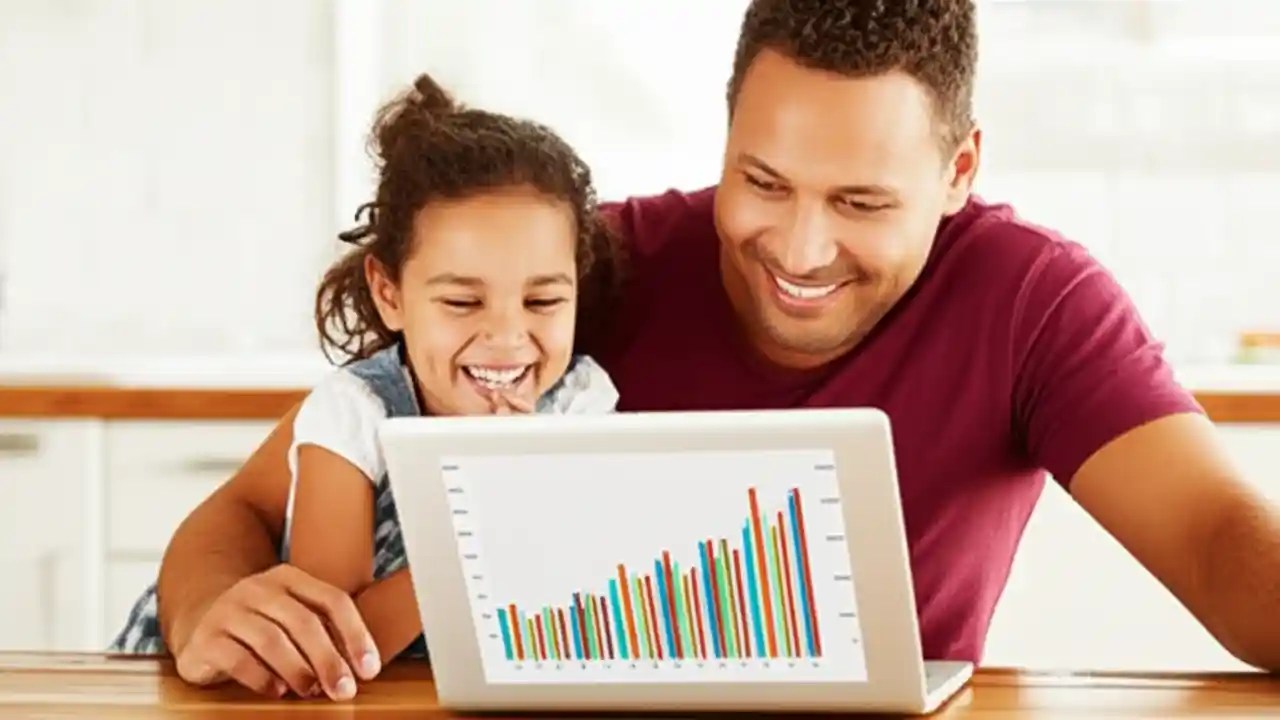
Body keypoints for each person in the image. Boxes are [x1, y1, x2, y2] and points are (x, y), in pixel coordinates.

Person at [148, 0, 1280, 701]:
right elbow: (249, 507)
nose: (795, 246)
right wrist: (206, 612)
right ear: (726, 129)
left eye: (859, 201)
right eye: (763, 180)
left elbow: (1222, 541)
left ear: (958, 171)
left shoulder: (1031, 302)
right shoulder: (581, 273)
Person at [106, 72, 623, 700]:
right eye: (462, 301)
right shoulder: (354, 413)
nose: (509, 337)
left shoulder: (581, 403)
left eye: (542, 299)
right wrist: (487, 527)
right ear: (390, 294)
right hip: (232, 688)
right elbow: (335, 643)